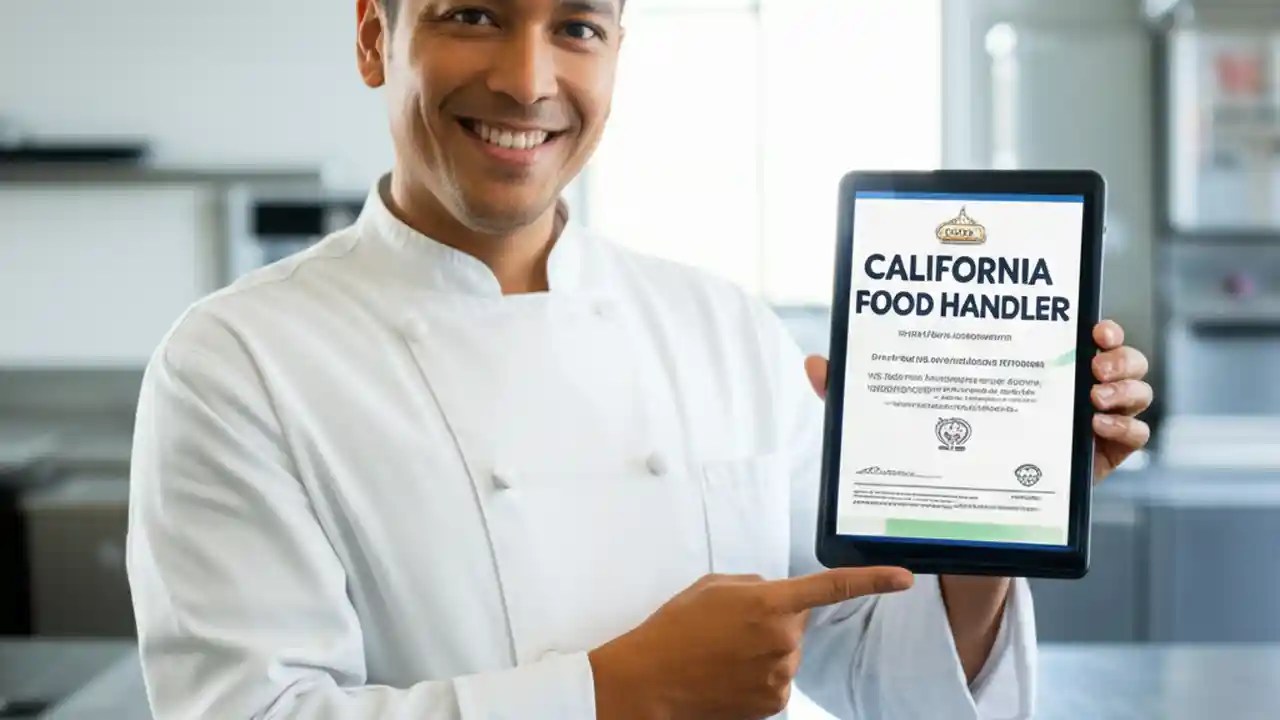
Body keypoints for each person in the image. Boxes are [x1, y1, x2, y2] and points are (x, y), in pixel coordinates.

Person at [125, 1, 1154, 718]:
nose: (528, 81)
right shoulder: (237, 363)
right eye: (471, 15)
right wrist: (613, 696)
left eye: (576, 27)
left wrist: (985, 508)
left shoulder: (723, 327)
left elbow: (888, 682)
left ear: (615, 51)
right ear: (371, 36)